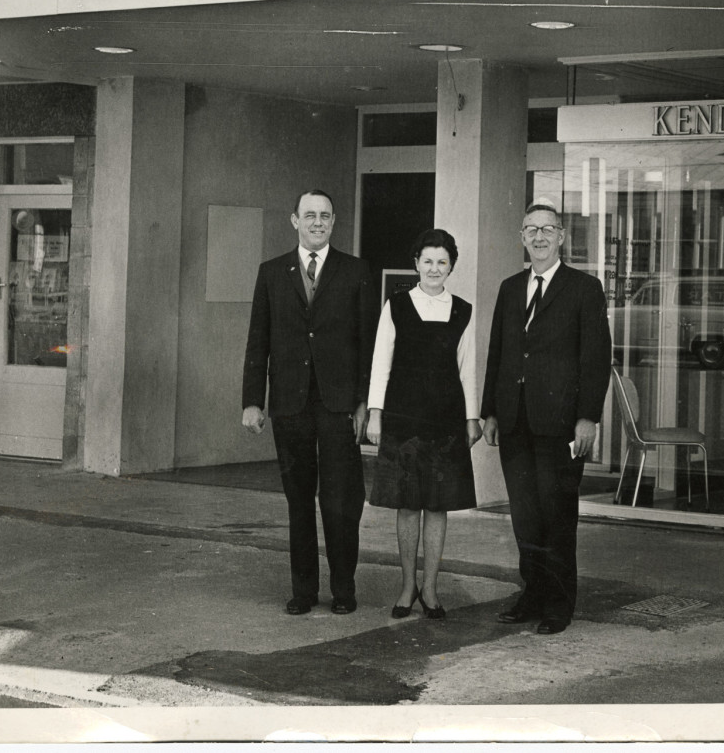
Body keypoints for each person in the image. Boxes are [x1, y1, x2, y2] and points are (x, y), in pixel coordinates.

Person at [242, 189, 378, 616]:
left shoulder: (356, 271)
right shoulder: (271, 272)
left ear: (334, 221)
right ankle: (303, 590)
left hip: (339, 405)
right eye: (309, 215)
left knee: (341, 501)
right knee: (298, 500)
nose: (317, 222)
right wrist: (252, 401)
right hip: (289, 403)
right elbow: (257, 340)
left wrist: (364, 403)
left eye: (325, 216)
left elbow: (368, 343)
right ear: (294, 220)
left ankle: (343, 589)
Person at [481, 201, 612, 635]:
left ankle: (558, 602)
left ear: (561, 237)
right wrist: (490, 411)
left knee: (557, 515)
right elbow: (498, 353)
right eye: (530, 229)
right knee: (524, 516)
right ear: (522, 237)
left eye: (547, 230)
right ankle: (532, 593)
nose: (539, 237)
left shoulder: (584, 288)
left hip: (559, 424)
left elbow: (595, 360)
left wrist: (587, 418)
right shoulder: (509, 287)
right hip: (515, 421)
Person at [365, 228, 482, 620]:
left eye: (442, 262)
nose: (434, 268)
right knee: (408, 506)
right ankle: (406, 587)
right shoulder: (396, 305)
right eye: (428, 261)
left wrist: (471, 419)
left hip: (446, 422)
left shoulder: (463, 310)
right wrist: (376, 414)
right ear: (416, 263)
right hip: (402, 419)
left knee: (437, 506)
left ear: (451, 267)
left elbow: (468, 370)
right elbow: (381, 361)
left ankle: (430, 590)